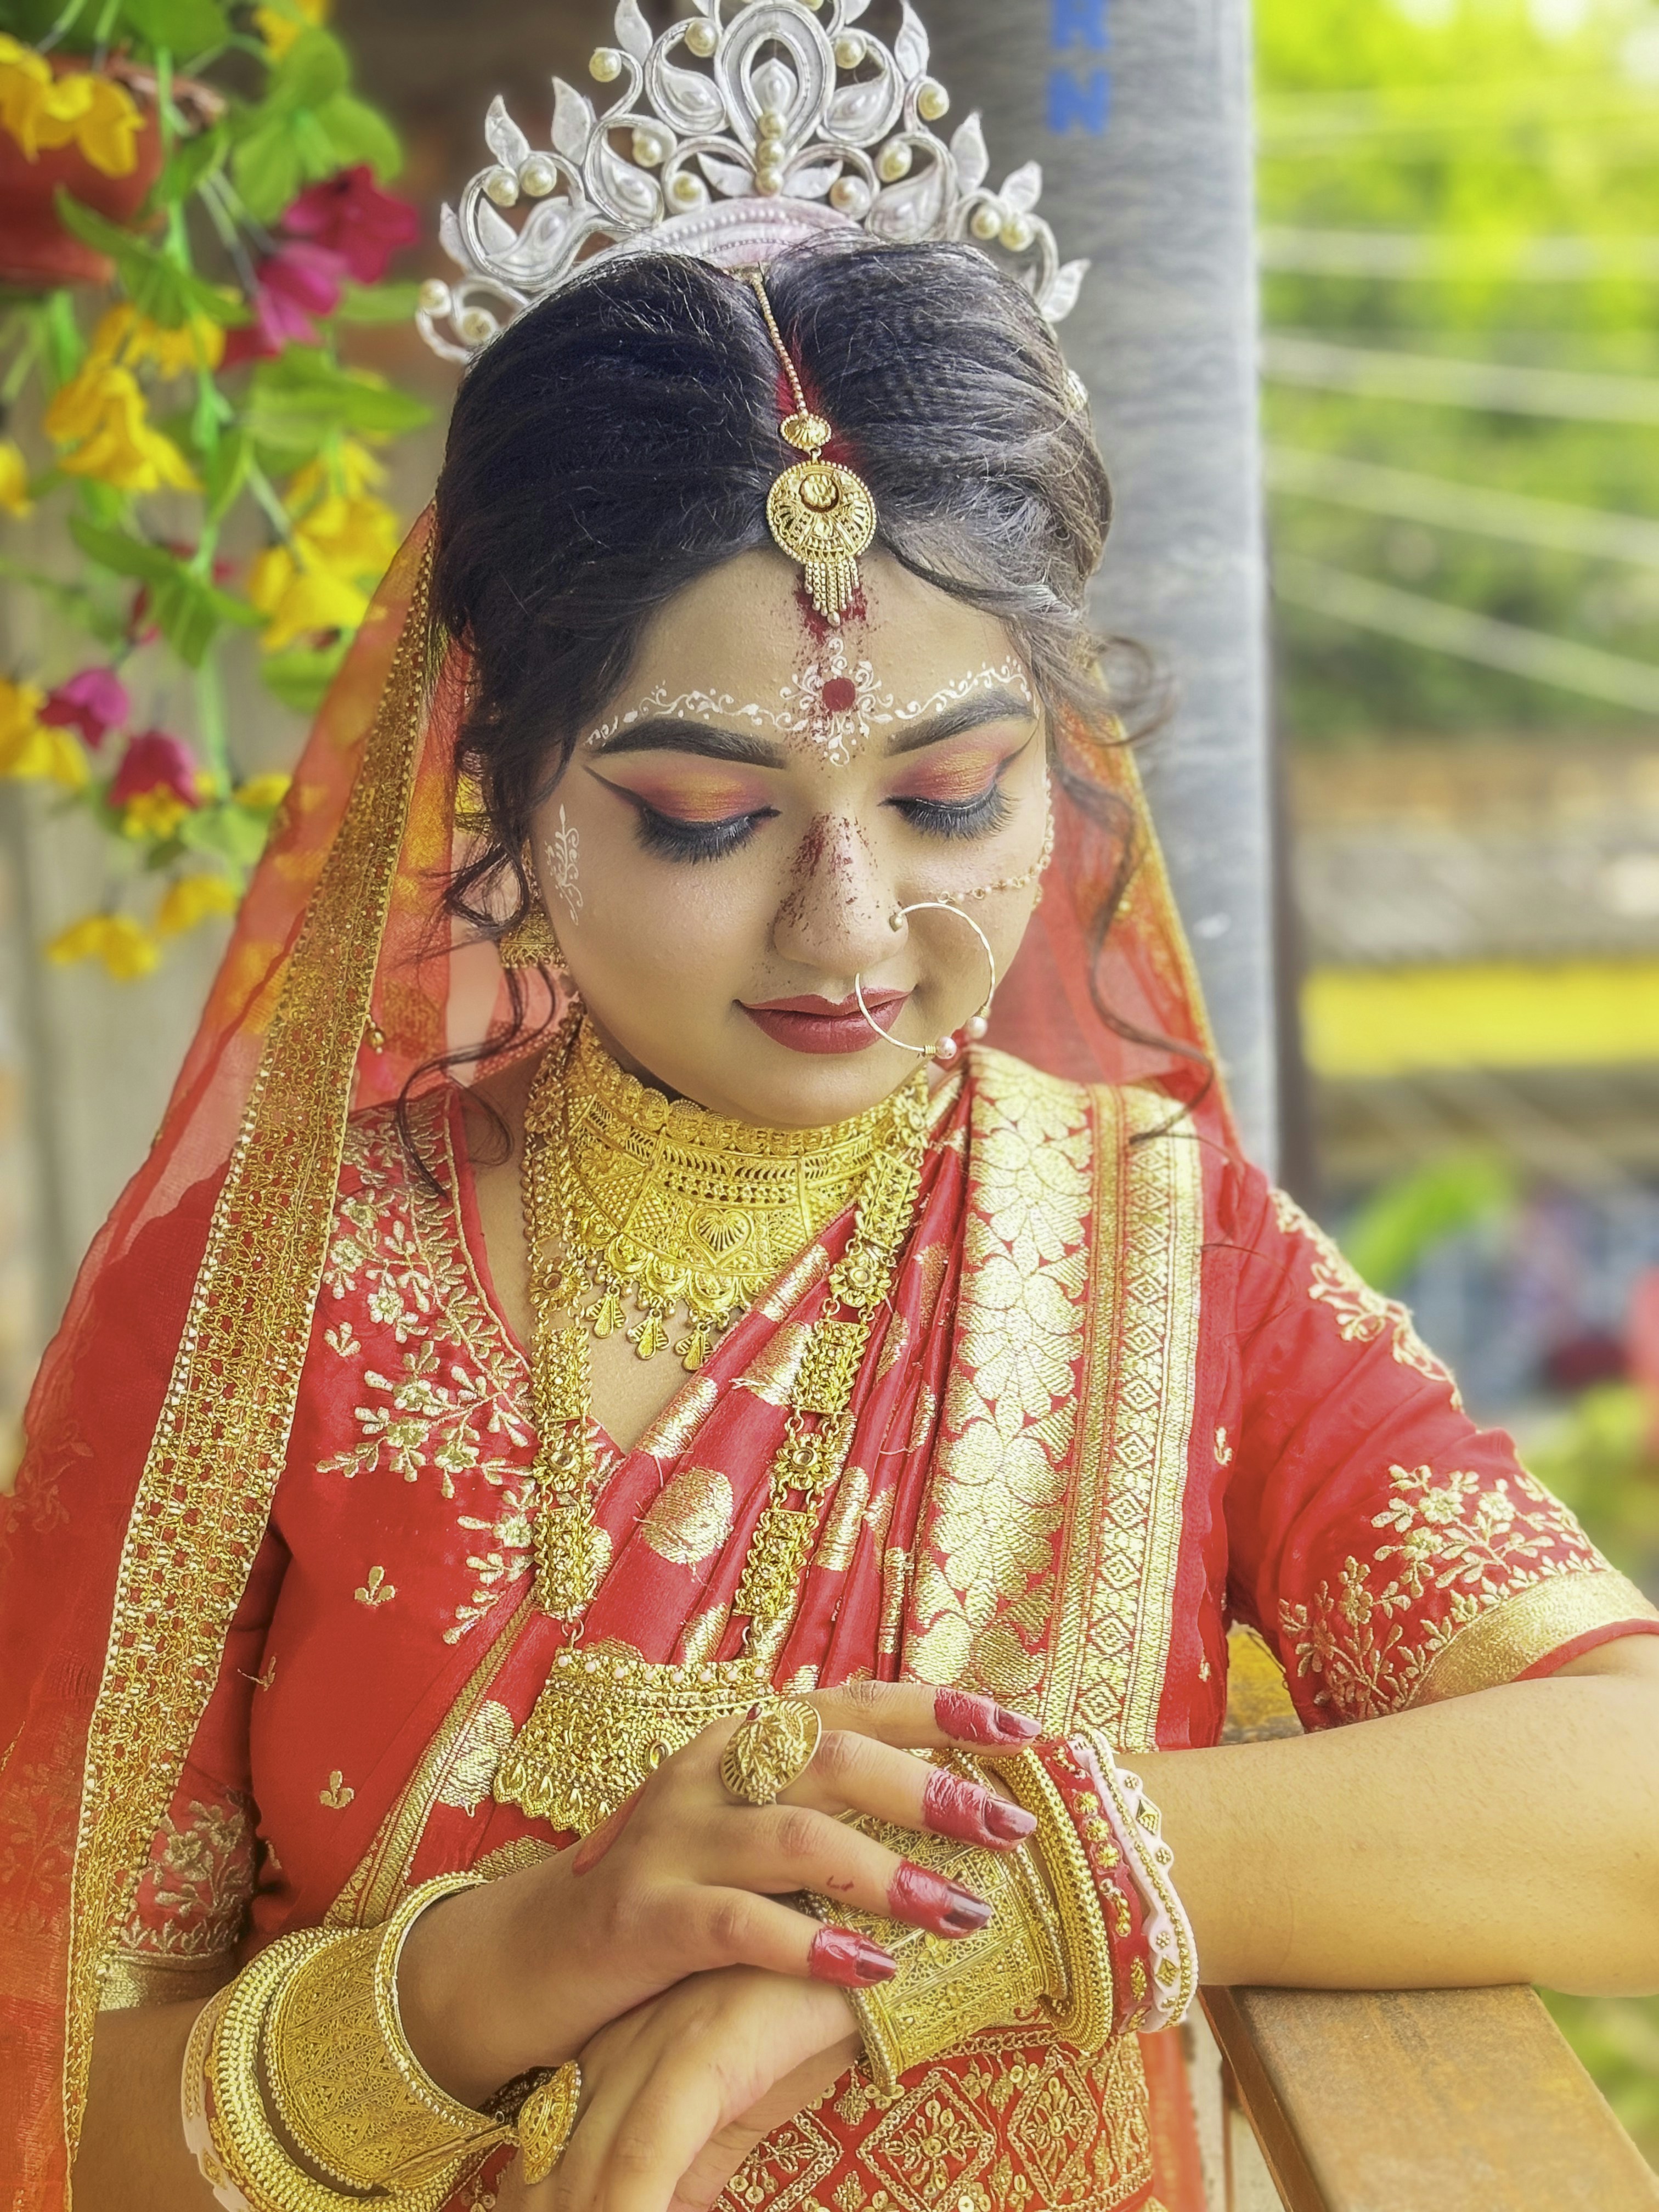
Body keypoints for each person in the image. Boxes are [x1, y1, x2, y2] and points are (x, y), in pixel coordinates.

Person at [5, 10, 1659, 2212]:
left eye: (952, 794)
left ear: (1060, 764)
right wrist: (506, 1973)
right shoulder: (266, 1303)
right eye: (707, 816)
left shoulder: (1159, 1257)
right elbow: (54, 2102)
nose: (852, 925)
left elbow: (1629, 1801)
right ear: (499, 799)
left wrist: (1016, 1898)